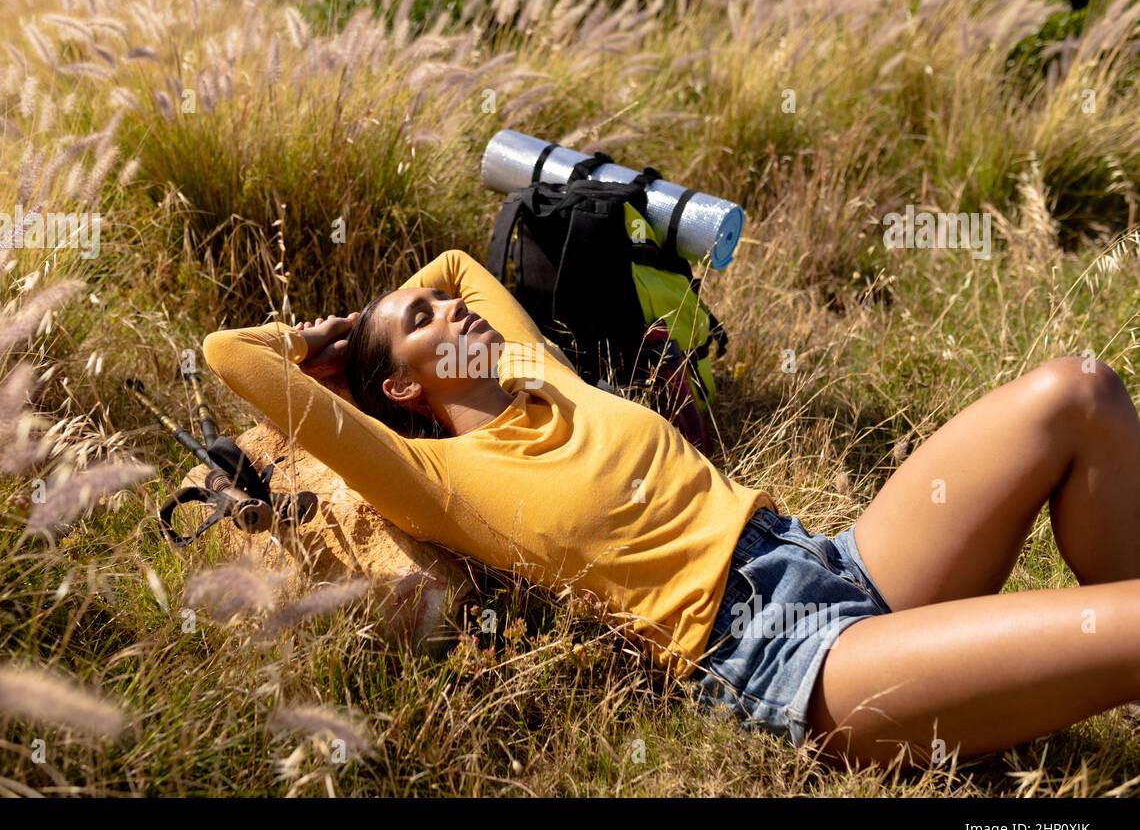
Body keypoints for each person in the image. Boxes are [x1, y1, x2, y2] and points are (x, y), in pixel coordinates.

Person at [203, 248, 1140, 769]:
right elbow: (229, 355)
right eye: (420, 326)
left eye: (439, 310)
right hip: (786, 657)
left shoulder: (543, 377)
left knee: (1078, 391)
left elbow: (456, 264)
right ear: (403, 394)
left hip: (835, 563)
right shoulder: (434, 479)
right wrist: (320, 340)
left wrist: (404, 309)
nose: (449, 313)